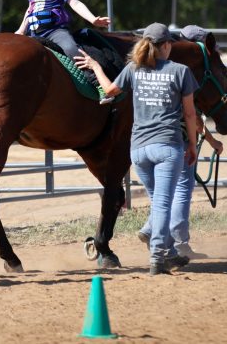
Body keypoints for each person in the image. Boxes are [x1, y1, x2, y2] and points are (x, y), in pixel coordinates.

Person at [75, 22, 199, 275]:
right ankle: (158, 256)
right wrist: (193, 145)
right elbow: (189, 113)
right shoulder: (181, 71)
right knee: (163, 203)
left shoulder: (133, 69)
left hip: (139, 150)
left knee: (158, 202)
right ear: (166, 45)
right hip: (167, 147)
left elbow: (109, 90)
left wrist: (95, 67)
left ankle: (170, 252)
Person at [135, 24, 225, 259]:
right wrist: (209, 141)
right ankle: (177, 242)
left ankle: (156, 235)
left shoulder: (147, 69)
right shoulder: (181, 72)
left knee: (161, 195)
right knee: (181, 188)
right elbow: (191, 114)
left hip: (143, 142)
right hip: (176, 141)